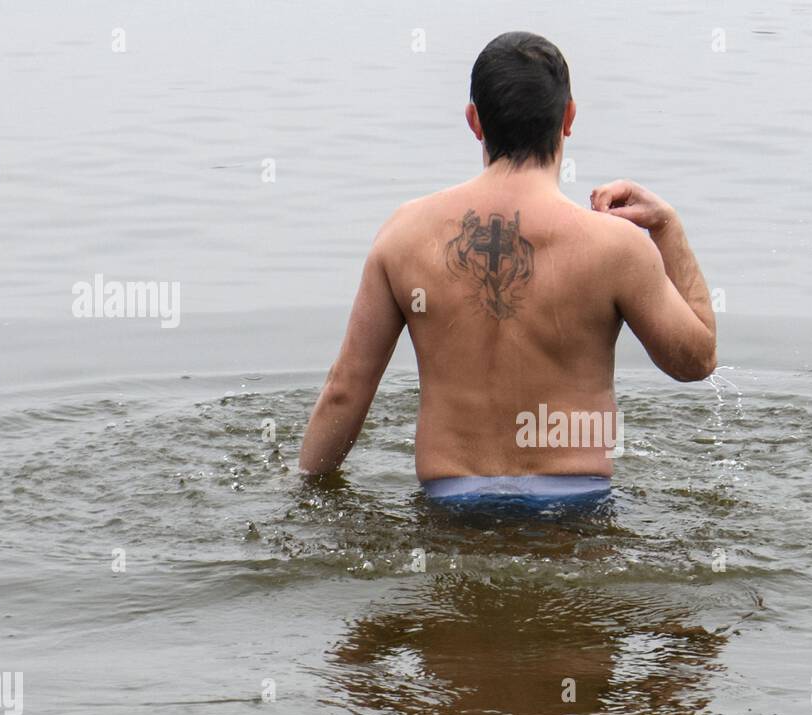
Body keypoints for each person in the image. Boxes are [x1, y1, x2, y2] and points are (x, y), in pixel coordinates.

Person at [298, 31, 716, 506]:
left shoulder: (405, 235)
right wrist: (667, 226)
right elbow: (696, 361)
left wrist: (300, 493)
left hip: (450, 507)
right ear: (569, 117)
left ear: (474, 121)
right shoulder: (615, 247)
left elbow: (345, 391)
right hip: (577, 511)